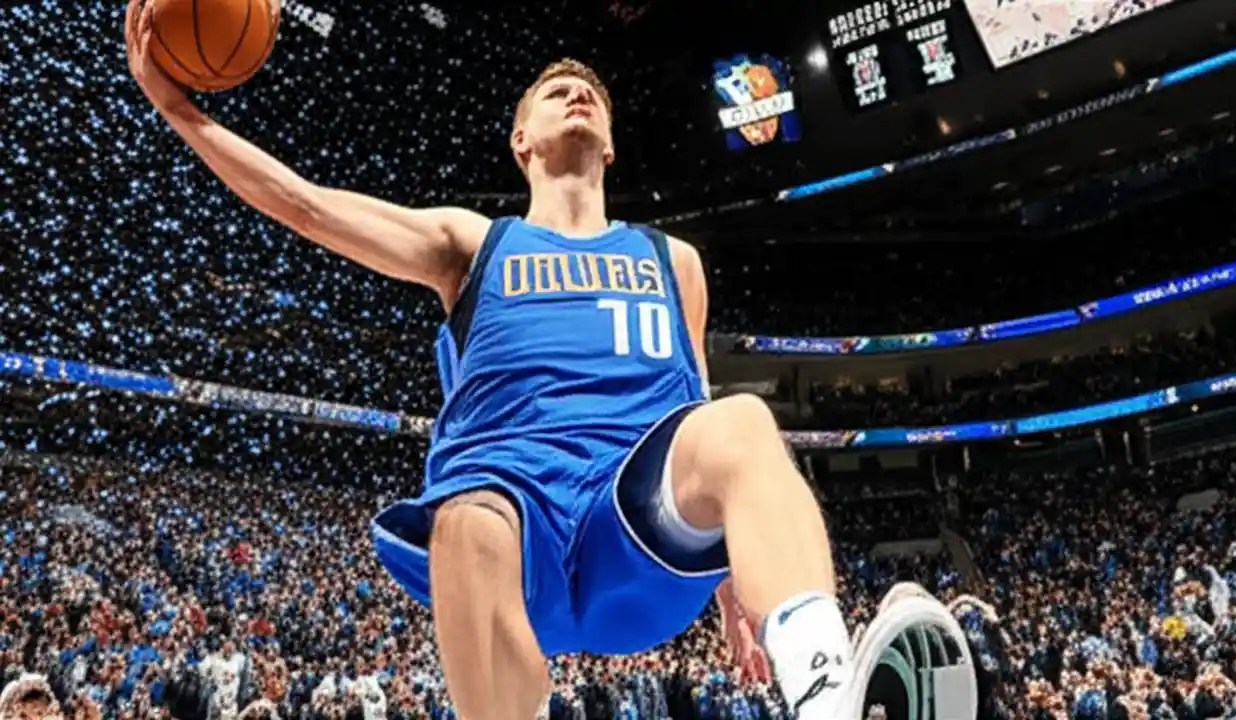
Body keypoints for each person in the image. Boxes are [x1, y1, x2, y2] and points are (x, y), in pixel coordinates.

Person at [124, 4, 881, 717]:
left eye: (589, 92)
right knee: (463, 520)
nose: (577, 92)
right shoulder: (473, 243)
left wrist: (734, 592)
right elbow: (305, 204)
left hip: (635, 529)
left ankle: (824, 689)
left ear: (611, 144)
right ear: (521, 141)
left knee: (743, 420)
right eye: (555, 92)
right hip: (515, 538)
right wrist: (177, 109)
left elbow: (701, 422)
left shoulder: (672, 260)